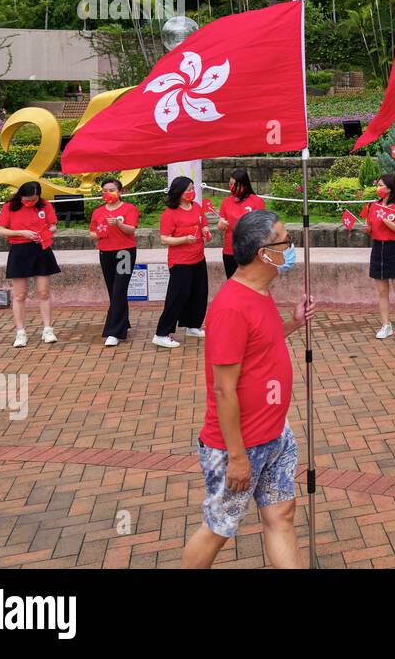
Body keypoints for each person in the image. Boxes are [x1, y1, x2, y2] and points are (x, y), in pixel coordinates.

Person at [180, 210, 316, 569]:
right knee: (219, 528)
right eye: (285, 241)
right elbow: (224, 390)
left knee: (282, 513)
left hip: (274, 433)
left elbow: (261, 346)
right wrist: (238, 457)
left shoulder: (261, 292)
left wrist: (293, 323)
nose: (291, 248)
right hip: (238, 445)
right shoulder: (230, 306)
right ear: (263, 253)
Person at [0, 181, 60, 347]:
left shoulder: (45, 205)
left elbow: (53, 226)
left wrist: (43, 232)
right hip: (19, 251)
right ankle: (20, 332)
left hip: (41, 249)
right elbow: (1, 230)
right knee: (19, 295)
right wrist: (21, 232)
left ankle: (47, 329)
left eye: (34, 198)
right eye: (27, 198)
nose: (30, 201)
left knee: (43, 292)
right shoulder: (10, 206)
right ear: (21, 195)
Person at [154, 176, 212, 349]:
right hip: (180, 262)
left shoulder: (197, 207)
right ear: (178, 192)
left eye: (192, 188)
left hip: (198, 258)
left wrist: (206, 232)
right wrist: (185, 239)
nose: (191, 192)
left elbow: (203, 225)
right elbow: (164, 239)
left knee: (199, 293)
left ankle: (193, 325)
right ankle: (161, 333)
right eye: (187, 189)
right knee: (178, 297)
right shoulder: (169, 214)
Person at [88, 177, 139, 347]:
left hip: (124, 252)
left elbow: (131, 230)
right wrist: (101, 232)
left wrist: (117, 224)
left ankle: (114, 332)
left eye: (111, 190)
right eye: (104, 190)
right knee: (113, 290)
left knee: (119, 289)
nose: (107, 193)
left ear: (121, 191)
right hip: (105, 252)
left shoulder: (129, 209)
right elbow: (92, 234)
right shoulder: (98, 212)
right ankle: (123, 322)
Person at [368, 173, 395, 340]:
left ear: (390, 188)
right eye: (377, 185)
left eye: (381, 185)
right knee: (382, 291)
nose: (378, 188)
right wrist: (367, 229)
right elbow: (370, 226)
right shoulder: (374, 205)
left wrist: (387, 222)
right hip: (378, 248)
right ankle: (386, 325)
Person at [217, 169, 264, 279]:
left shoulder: (256, 201)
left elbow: (262, 226)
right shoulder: (226, 202)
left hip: (250, 251)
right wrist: (221, 225)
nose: (231, 187)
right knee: (232, 283)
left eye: (234, 184)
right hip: (230, 250)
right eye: (230, 184)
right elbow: (220, 226)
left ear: (244, 185)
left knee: (251, 283)